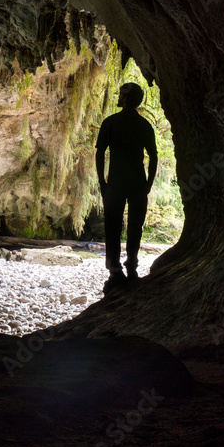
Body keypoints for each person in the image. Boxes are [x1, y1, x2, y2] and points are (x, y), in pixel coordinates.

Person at [96, 82, 158, 294]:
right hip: (138, 182)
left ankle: (114, 270)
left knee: (113, 226)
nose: (119, 97)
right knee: (135, 226)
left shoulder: (110, 122)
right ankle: (131, 267)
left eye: (121, 94)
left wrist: (102, 183)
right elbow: (154, 156)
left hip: (115, 182)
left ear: (125, 99)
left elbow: (99, 154)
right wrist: (148, 183)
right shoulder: (144, 125)